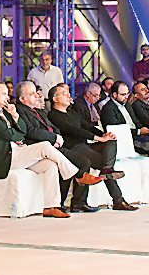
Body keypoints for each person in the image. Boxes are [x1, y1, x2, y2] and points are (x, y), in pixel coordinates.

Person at [0, 80, 86, 218]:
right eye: (4, 94)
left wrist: (15, 116)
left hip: (15, 151)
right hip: (2, 157)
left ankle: (51, 206)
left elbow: (21, 131)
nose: (7, 98)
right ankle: (77, 174)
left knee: (50, 165)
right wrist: (16, 136)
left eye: (7, 94)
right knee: (45, 146)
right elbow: (8, 134)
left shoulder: (5, 111)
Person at [14, 81, 103, 211]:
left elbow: (53, 128)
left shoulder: (38, 111)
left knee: (82, 162)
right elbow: (31, 132)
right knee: (73, 163)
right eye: (32, 94)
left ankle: (79, 202)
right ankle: (62, 201)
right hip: (37, 147)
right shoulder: (20, 110)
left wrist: (56, 137)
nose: (37, 96)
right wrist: (53, 138)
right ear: (22, 98)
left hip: (52, 145)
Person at [47, 83, 133, 211]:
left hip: (84, 145)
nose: (68, 95)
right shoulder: (53, 115)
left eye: (68, 93)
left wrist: (104, 134)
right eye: (64, 94)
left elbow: (87, 126)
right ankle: (116, 198)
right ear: (55, 99)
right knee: (104, 164)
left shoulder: (72, 113)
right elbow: (73, 130)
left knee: (110, 142)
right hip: (73, 148)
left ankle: (108, 173)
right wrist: (98, 138)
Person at [99, 81, 149, 155]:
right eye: (123, 94)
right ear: (114, 94)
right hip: (126, 139)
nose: (127, 97)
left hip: (137, 135)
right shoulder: (108, 109)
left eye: (127, 93)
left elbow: (135, 121)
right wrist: (138, 131)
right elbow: (118, 131)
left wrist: (143, 130)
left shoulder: (127, 104)